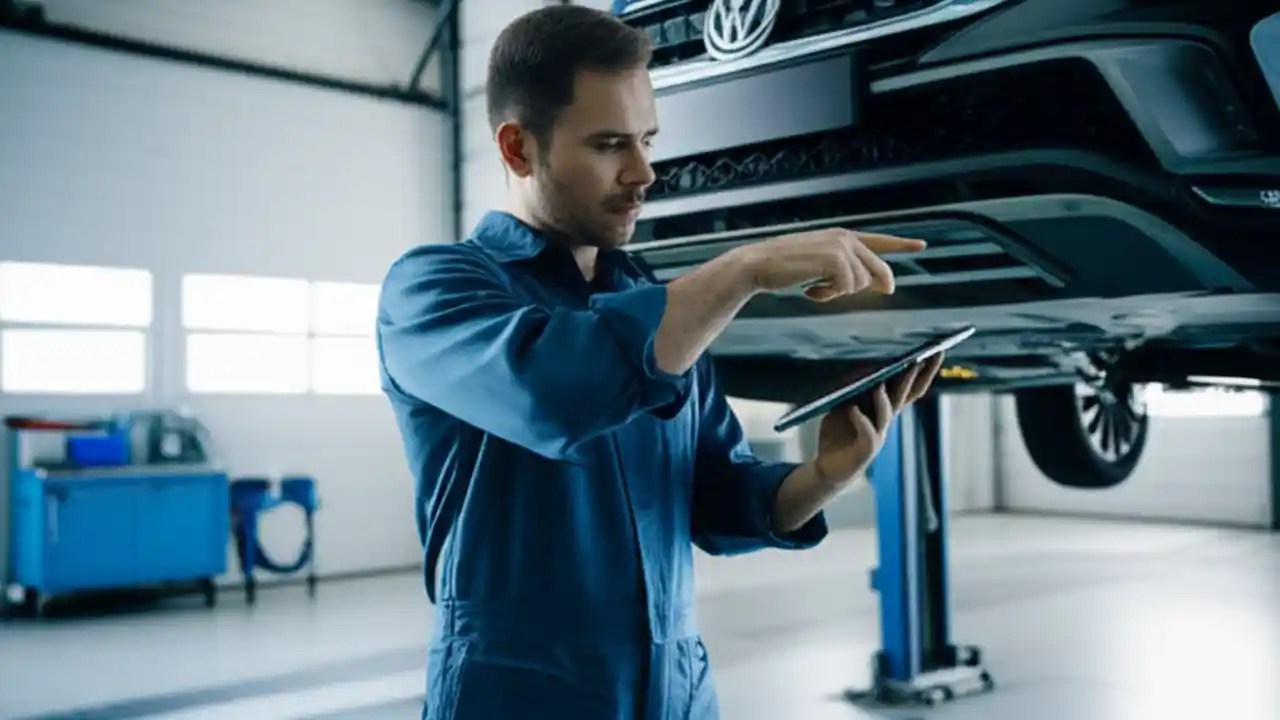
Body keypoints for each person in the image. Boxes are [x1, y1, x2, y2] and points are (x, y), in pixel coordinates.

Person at [376, 6, 943, 719]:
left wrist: (824, 475)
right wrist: (745, 268)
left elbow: (715, 497)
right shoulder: (435, 289)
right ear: (519, 149)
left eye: (646, 140)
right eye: (611, 144)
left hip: (674, 694)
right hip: (516, 697)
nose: (644, 172)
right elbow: (552, 392)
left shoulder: (654, 303)